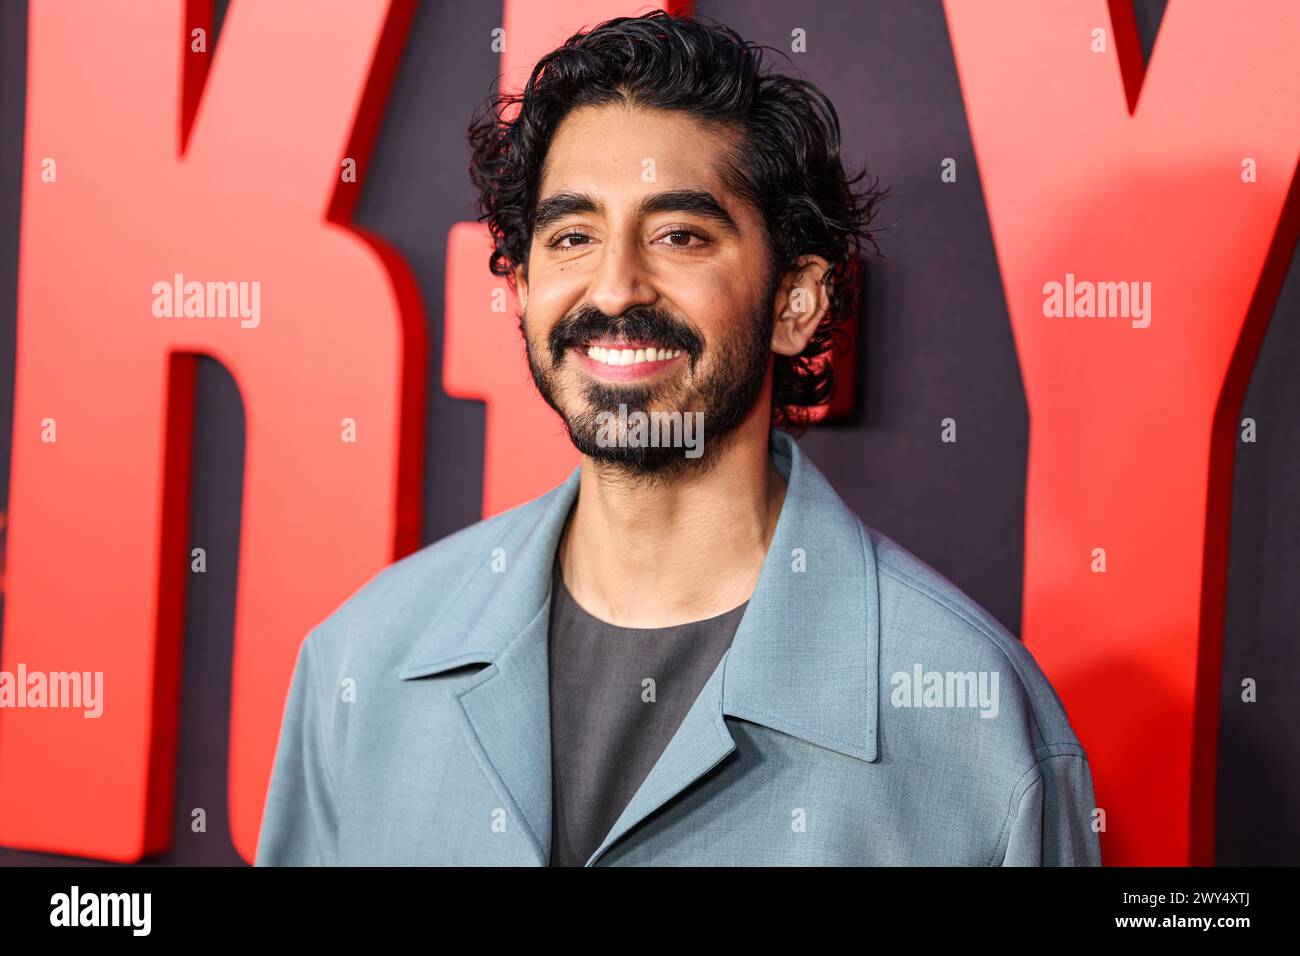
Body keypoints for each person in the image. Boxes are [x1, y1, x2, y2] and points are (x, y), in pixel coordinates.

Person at [256, 10, 1101, 867]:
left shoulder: (977, 730)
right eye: (573, 236)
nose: (616, 286)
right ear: (521, 288)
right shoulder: (363, 662)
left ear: (794, 303)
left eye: (679, 235)